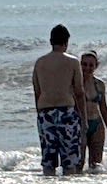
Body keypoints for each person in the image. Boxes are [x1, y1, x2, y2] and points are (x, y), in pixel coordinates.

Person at [31, 24, 86, 175]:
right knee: (69, 162)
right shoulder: (73, 62)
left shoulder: (40, 63)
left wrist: (40, 114)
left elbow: (37, 92)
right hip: (66, 113)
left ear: (50, 41)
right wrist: (83, 118)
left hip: (45, 113)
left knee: (48, 162)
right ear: (66, 42)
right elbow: (79, 92)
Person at [79, 51, 107, 171]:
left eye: (91, 65)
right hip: (80, 126)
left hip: (97, 125)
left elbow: (104, 108)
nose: (87, 68)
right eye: (84, 64)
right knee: (78, 163)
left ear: (96, 66)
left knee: (96, 165)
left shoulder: (100, 85)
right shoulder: (75, 84)